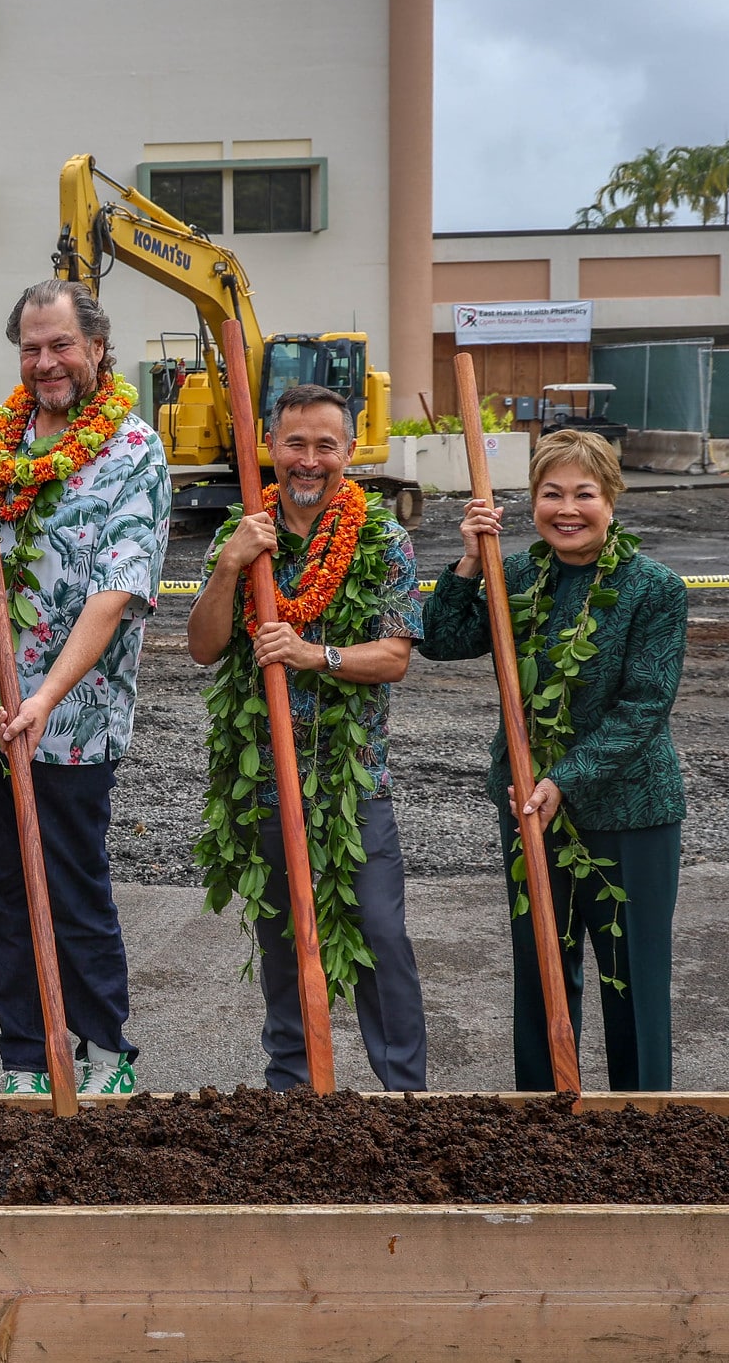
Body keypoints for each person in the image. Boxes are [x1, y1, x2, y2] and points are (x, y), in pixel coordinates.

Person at [0, 280, 171, 1097]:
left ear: (95, 346)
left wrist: (46, 697)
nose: (44, 361)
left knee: (69, 884)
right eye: (29, 348)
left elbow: (115, 593)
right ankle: (25, 1057)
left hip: (71, 720)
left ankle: (103, 1051)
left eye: (60, 344)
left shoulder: (133, 450)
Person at [419, 429, 685, 1091]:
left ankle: (641, 1122)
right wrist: (469, 560)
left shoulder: (654, 589)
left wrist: (562, 780)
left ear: (611, 499)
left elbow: (643, 707)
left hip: (629, 813)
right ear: (532, 501)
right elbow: (441, 640)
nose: (567, 509)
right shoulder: (514, 575)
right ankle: (543, 1116)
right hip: (528, 805)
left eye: (584, 494)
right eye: (551, 493)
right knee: (541, 971)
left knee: (632, 978)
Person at [187, 381, 428, 1093]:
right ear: (270, 446)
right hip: (265, 778)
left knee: (379, 933)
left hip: (356, 779)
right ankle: (292, 1089)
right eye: (295, 443)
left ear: (349, 451)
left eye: (326, 445)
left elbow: (394, 657)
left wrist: (312, 654)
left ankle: (404, 1093)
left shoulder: (384, 539)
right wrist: (230, 564)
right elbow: (203, 647)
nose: (309, 460)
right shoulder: (242, 535)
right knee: (283, 937)